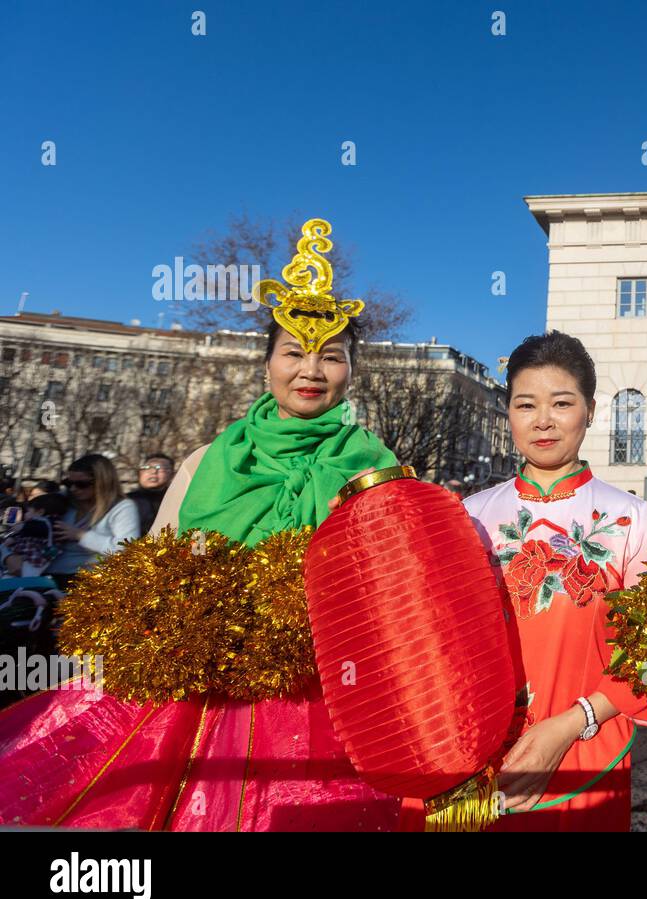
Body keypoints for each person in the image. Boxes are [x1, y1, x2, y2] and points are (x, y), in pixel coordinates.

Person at [0, 218, 419, 831]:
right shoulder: (209, 460)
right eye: (293, 352)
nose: (311, 369)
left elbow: (402, 589)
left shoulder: (380, 468)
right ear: (267, 363)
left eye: (331, 356)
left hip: (334, 697)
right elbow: (154, 569)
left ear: (352, 370)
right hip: (203, 692)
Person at [462, 330, 647, 831]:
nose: (543, 421)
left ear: (592, 409)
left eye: (561, 403)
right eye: (525, 405)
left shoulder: (630, 517)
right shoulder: (470, 516)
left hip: (584, 746)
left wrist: (577, 719)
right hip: (480, 750)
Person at [1, 454, 140, 588]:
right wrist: (8, 557)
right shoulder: (60, 502)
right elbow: (22, 532)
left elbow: (127, 551)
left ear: (102, 483)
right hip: (37, 577)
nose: (73, 488)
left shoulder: (122, 507)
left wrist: (80, 535)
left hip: (84, 585)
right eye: (68, 483)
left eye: (82, 484)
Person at [126, 453, 175, 533]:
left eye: (160, 468)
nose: (153, 471)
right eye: (147, 467)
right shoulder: (127, 500)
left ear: (172, 474)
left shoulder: (177, 499)